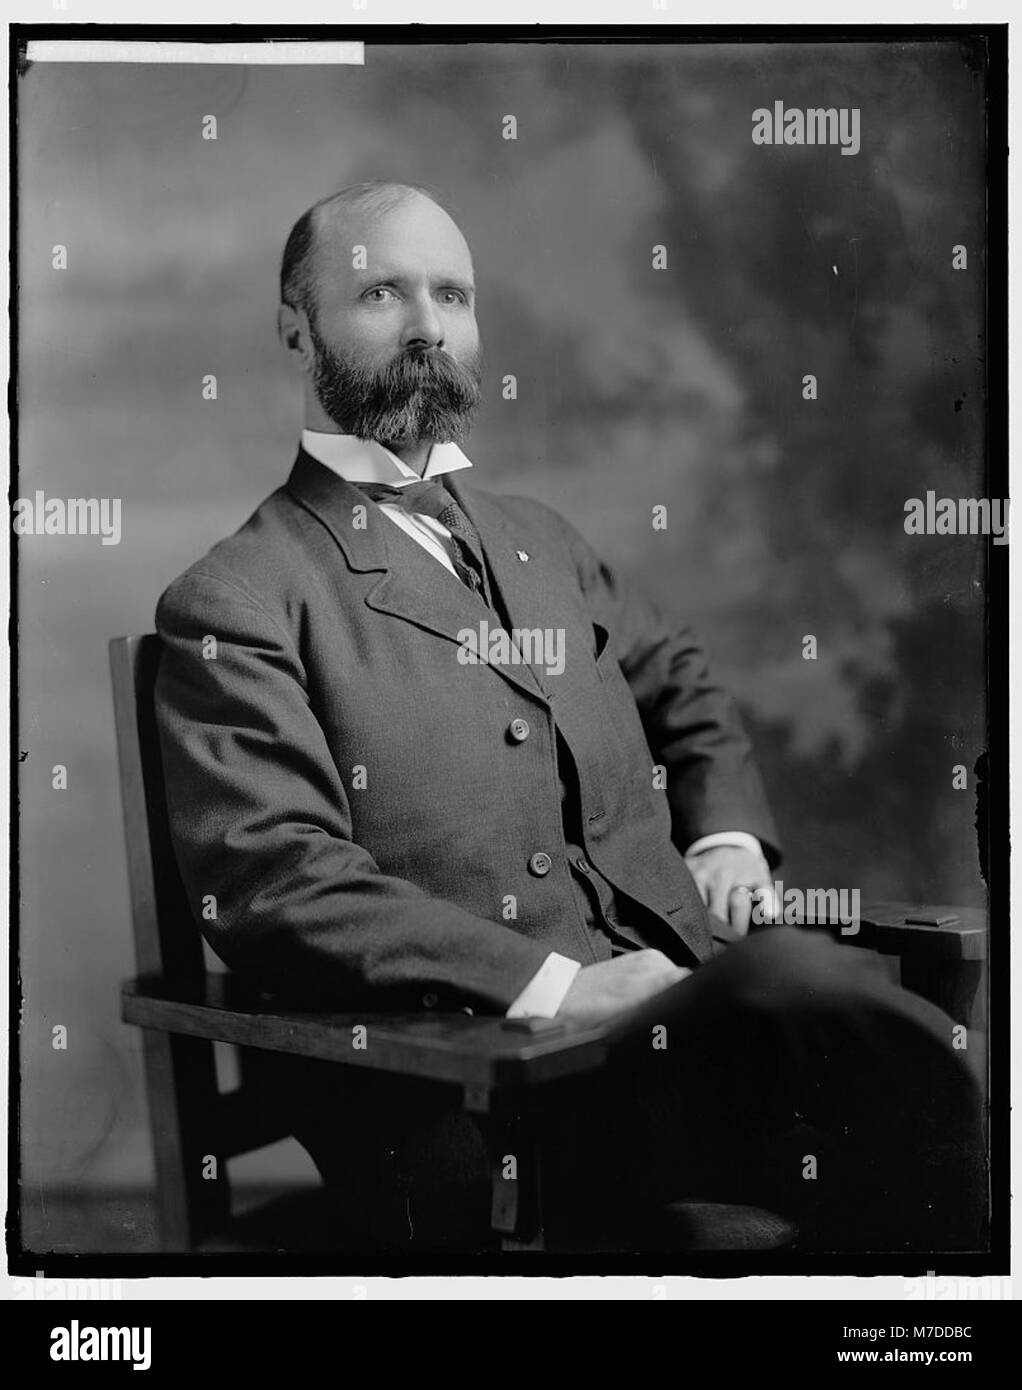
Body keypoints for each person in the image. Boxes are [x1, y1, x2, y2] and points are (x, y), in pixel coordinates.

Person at [153, 180, 986, 1254]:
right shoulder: (241, 595)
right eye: (378, 292)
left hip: (681, 1046)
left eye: (450, 295)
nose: (425, 328)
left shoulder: (539, 538)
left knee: (905, 1157)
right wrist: (558, 986)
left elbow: (676, 675)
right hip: (467, 1091)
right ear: (292, 323)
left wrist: (724, 838)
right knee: (803, 1004)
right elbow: (271, 877)